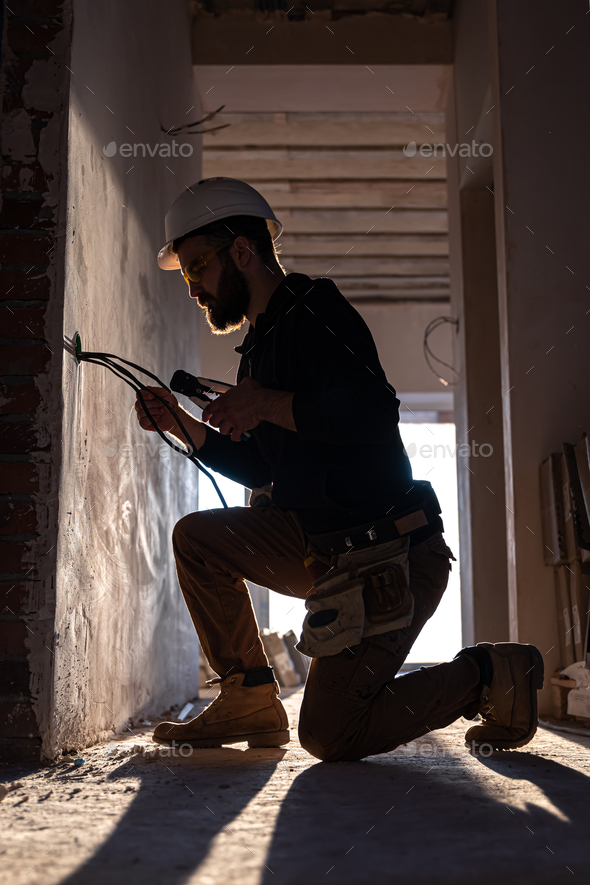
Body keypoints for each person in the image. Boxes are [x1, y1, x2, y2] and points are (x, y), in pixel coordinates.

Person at [134, 177, 544, 761]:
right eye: (186, 275)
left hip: (391, 556)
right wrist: (185, 427)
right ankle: (249, 695)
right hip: (321, 549)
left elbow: (371, 414)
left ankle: (485, 672)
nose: (193, 286)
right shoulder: (260, 345)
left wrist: (263, 403)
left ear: (242, 252)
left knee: (330, 734)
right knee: (198, 538)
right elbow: (260, 466)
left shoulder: (314, 309)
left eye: (197, 266)